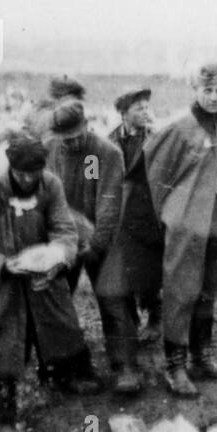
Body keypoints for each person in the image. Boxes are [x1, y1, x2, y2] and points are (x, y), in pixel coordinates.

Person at [0, 132, 97, 432]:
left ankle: (61, 376)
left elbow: (64, 228)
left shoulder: (51, 186)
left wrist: (58, 257)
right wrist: (2, 265)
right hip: (0, 283)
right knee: (1, 352)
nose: (28, 179)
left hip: (39, 277)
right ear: (10, 169)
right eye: (21, 173)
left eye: (34, 172)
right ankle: (3, 419)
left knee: (57, 327)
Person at [143, 63, 217, 397]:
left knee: (208, 289)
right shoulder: (180, 128)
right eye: (207, 91)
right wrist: (164, 221)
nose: (214, 97)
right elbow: (155, 177)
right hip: (186, 224)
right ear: (195, 91)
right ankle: (175, 367)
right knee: (181, 290)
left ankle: (202, 358)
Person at [46, 99, 133, 391]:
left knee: (113, 299)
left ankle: (124, 367)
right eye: (65, 139)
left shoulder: (107, 153)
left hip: (102, 239)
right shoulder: (50, 151)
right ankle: (62, 369)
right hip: (64, 239)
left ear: (87, 125)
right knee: (57, 302)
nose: (71, 143)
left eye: (76, 136)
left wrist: (95, 245)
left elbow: (109, 203)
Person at [108, 87, 162, 342]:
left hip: (149, 215)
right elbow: (92, 175)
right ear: (123, 113)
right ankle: (130, 324)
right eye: (138, 108)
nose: (144, 112)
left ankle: (155, 318)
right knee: (122, 272)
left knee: (150, 270)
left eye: (146, 108)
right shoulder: (106, 142)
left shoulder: (156, 138)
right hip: (119, 218)